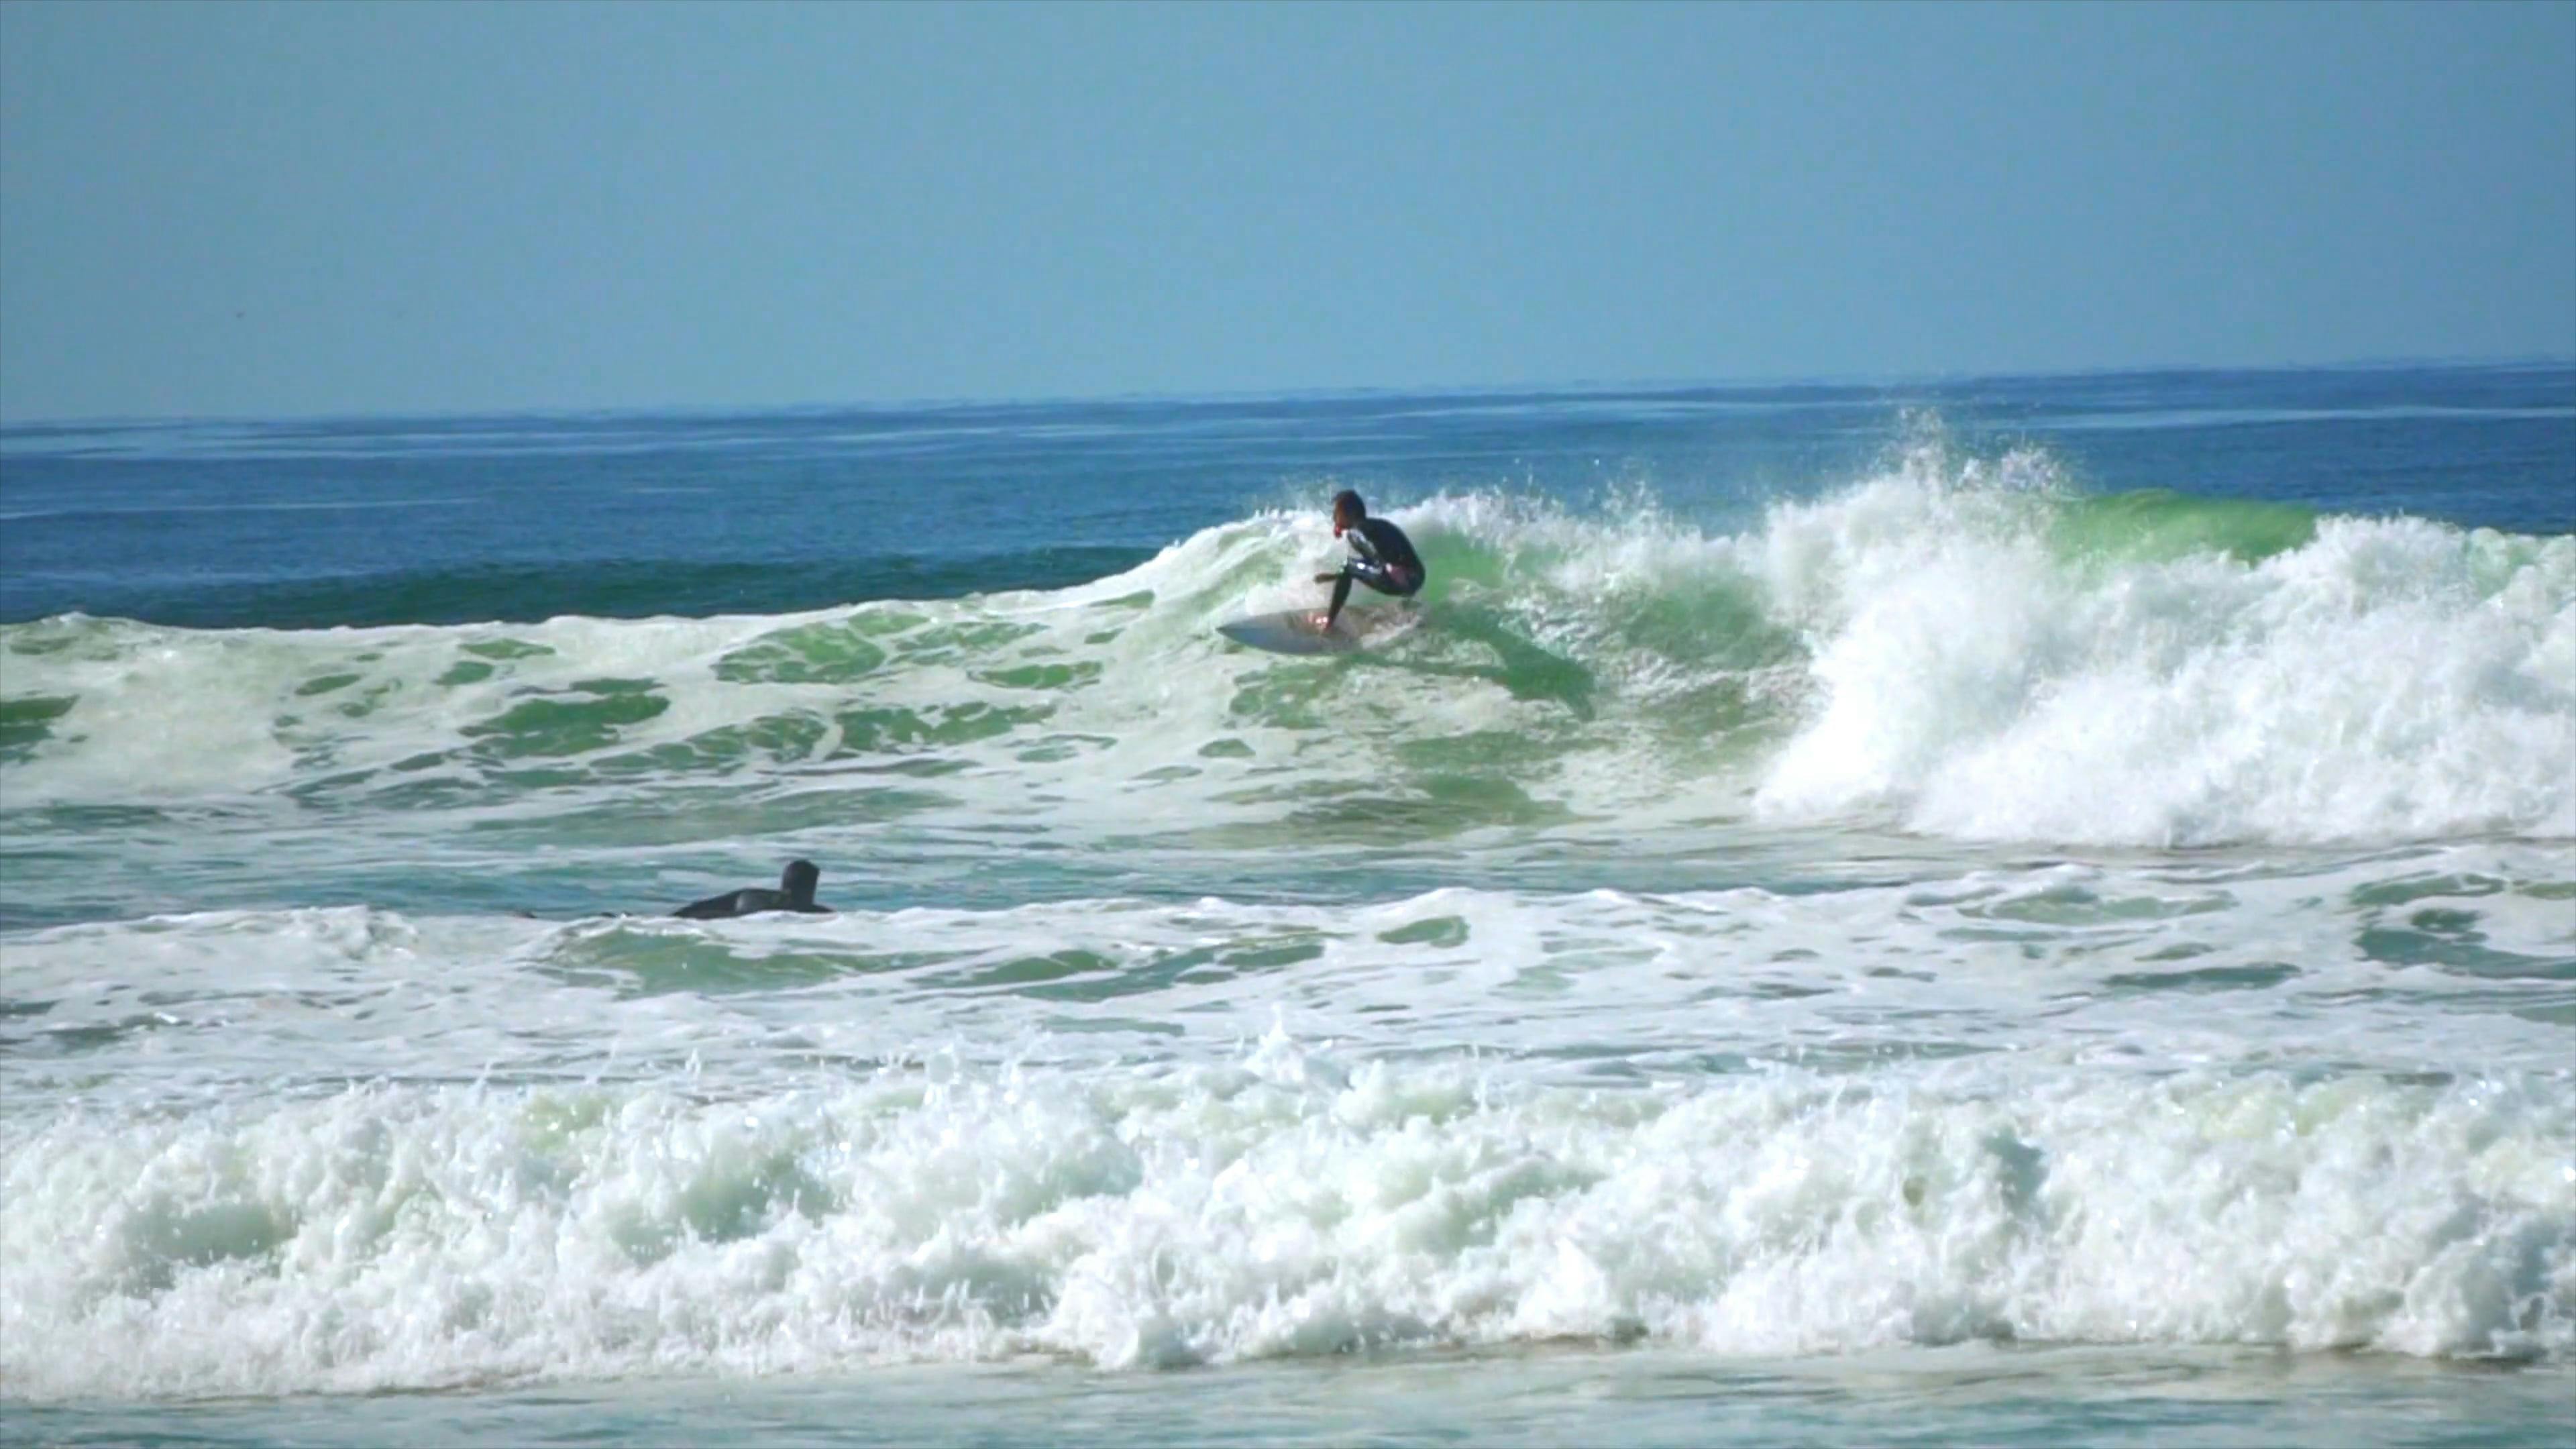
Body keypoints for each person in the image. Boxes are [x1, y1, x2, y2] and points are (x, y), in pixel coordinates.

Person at [1314, 488, 1424, 632]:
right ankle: (1409, 611)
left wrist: (1388, 565)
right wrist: (1336, 577)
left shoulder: (1355, 531)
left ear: (1346, 513)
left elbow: (1368, 544)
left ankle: (1329, 622)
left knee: (1348, 566)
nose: (1334, 518)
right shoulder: (1381, 524)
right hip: (1417, 576)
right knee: (1350, 569)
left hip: (1396, 577)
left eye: (1336, 513)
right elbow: (1373, 562)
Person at [674, 859, 833, 919]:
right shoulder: (812, 911)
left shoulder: (750, 894)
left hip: (716, 919)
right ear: (810, 886)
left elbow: (700, 906)